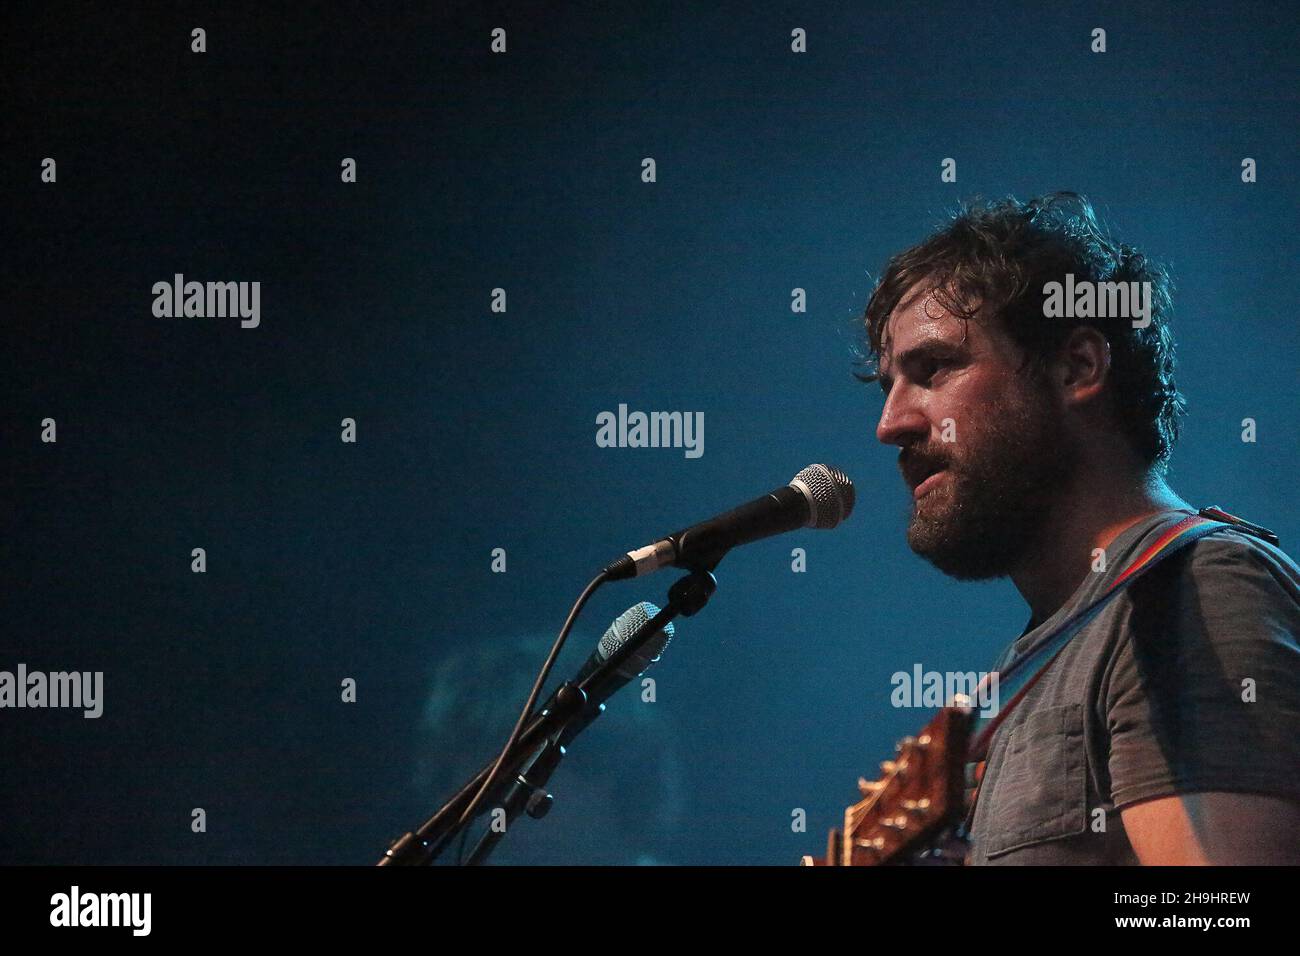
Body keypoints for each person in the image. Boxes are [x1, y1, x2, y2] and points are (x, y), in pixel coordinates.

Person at [859, 192, 1300, 864]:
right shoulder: (1030, 667)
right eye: (889, 384)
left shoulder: (1195, 591)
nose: (891, 424)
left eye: (935, 368)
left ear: (1077, 367)